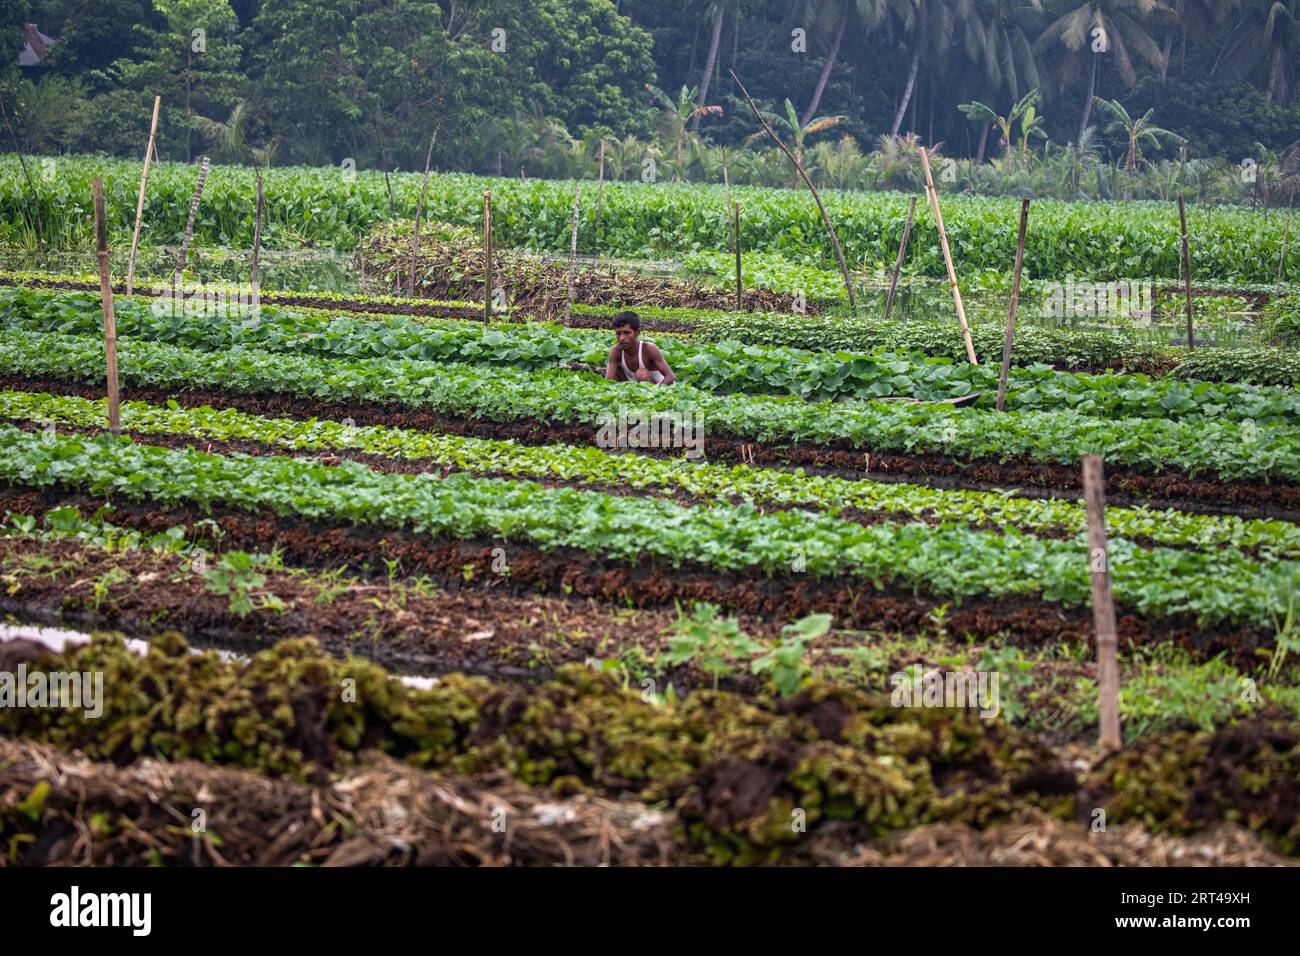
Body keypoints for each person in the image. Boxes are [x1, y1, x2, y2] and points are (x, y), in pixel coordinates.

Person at [604, 310, 675, 385]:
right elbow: (608, 380)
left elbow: (670, 377)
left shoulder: (649, 349)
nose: (621, 338)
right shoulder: (616, 351)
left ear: (637, 333)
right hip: (632, 391)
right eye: (618, 333)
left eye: (626, 333)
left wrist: (658, 391)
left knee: (641, 373)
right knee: (615, 371)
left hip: (655, 391)